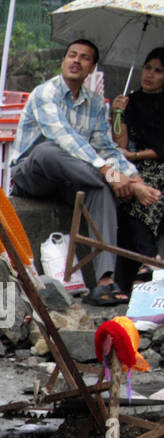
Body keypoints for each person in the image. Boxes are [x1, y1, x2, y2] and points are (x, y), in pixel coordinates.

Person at [11, 39, 160, 307]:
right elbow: (66, 139)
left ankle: (104, 282)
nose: (76, 61)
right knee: (49, 150)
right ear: (63, 61)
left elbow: (107, 148)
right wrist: (114, 176)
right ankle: (111, 181)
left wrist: (134, 178)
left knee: (101, 189)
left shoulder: (94, 103)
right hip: (33, 174)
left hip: (72, 179)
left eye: (85, 58)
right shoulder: (46, 93)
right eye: (72, 55)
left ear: (92, 68)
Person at [111, 47, 164, 295]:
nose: (149, 75)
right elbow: (119, 147)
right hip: (134, 167)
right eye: (147, 68)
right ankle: (145, 265)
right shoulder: (132, 100)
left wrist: (135, 155)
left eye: (158, 70)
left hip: (158, 166)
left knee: (143, 199)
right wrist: (118, 114)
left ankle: (148, 263)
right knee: (127, 197)